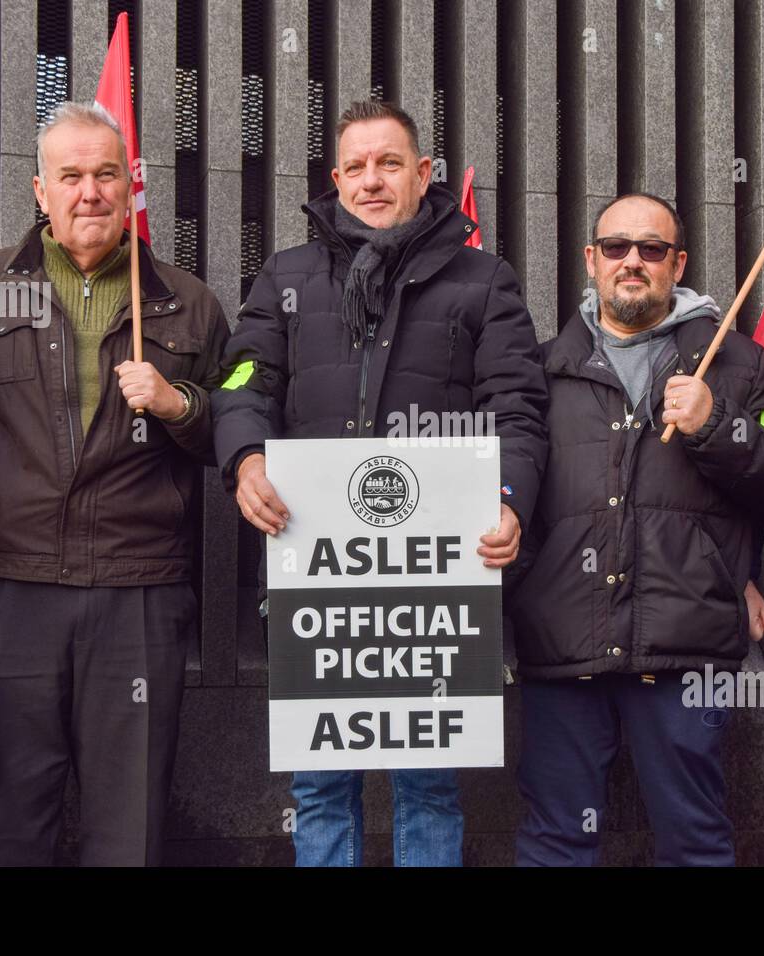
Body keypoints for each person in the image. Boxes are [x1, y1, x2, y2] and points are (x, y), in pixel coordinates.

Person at [213, 99, 548, 866]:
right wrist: (245, 457)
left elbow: (519, 410)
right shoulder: (287, 275)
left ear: (423, 174)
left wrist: (509, 503)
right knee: (321, 787)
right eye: (356, 167)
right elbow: (240, 382)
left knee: (428, 786)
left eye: (389, 163)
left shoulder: (483, 280)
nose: (371, 180)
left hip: (435, 588)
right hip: (317, 584)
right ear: (335, 180)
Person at [0, 102, 231, 865]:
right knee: (1, 829)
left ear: (132, 187)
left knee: (131, 831)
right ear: (39, 190)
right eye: (72, 176)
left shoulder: (192, 304)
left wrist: (178, 402)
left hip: (138, 592)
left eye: (106, 174)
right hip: (5, 589)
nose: (90, 191)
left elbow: (237, 425)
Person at [508, 193, 764, 866]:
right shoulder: (535, 369)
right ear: (592, 261)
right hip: (562, 641)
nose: (632, 261)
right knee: (556, 838)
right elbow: (505, 484)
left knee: (694, 839)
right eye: (616, 247)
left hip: (685, 642)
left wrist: (718, 424)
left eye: (651, 249)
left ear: (677, 263)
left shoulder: (742, 365)